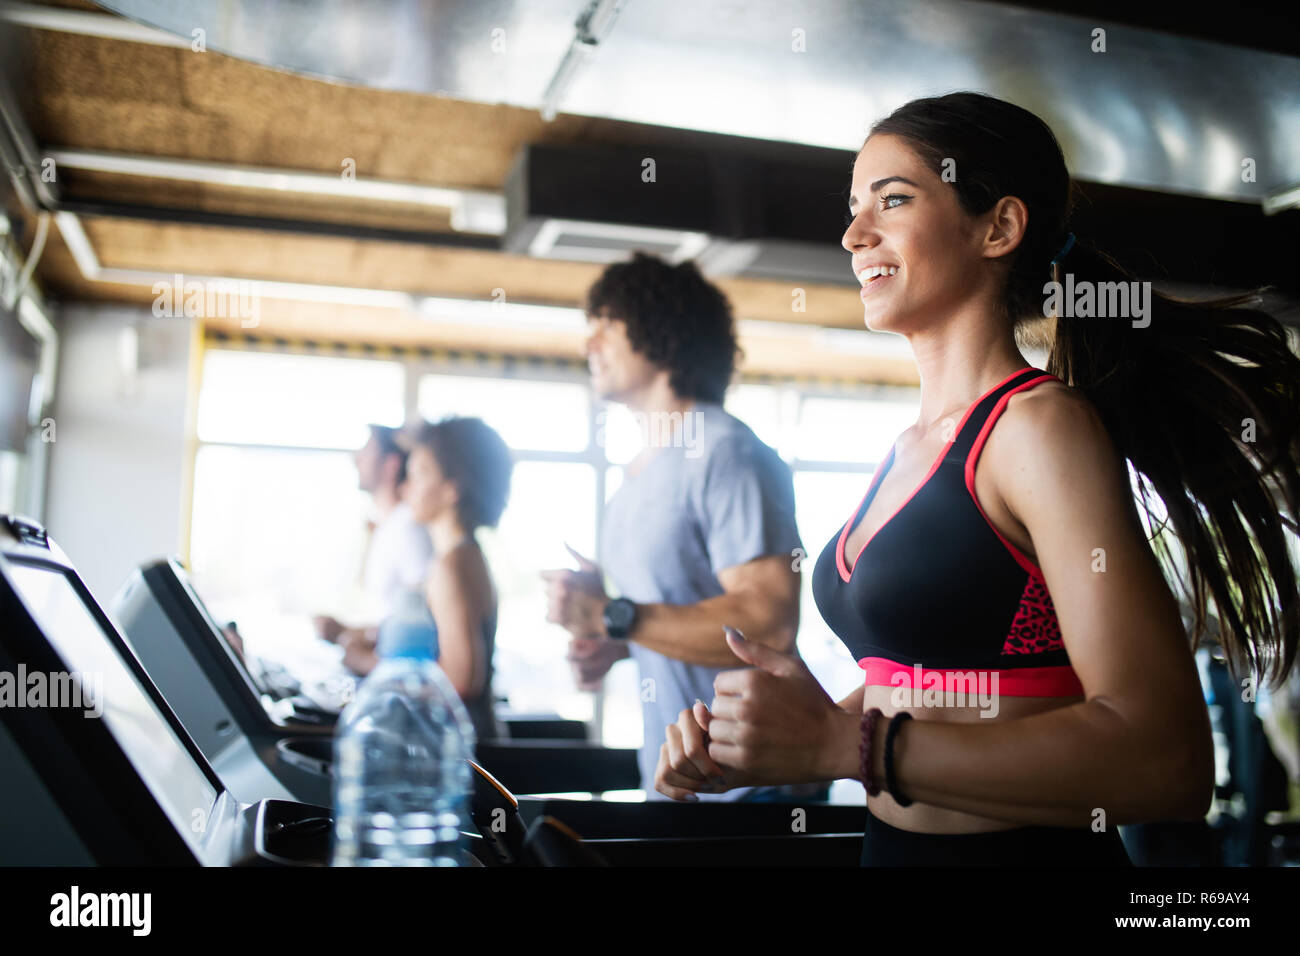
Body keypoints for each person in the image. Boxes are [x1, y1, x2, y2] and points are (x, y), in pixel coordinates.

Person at [655, 91, 1300, 865]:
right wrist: (774, 736)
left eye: (891, 200)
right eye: (855, 207)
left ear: (998, 227)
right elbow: (939, 682)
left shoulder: (1038, 427)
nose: (854, 234)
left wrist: (847, 744)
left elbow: (1165, 761)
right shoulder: (911, 445)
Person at [542, 251, 822, 801]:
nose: (587, 343)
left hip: (752, 790)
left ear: (659, 330)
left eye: (605, 324)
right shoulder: (634, 476)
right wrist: (616, 641)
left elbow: (767, 624)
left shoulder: (726, 451)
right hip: (678, 780)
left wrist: (610, 614)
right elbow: (681, 616)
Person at [349, 417, 513, 744]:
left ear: (452, 488)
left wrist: (367, 663)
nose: (406, 487)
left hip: (461, 752)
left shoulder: (449, 567)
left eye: (420, 474)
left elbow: (461, 679)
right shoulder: (466, 554)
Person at [314, 423, 434, 672]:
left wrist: (362, 658)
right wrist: (346, 631)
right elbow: (397, 619)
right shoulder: (387, 526)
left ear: (391, 464)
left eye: (366, 452)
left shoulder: (409, 528)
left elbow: (428, 624)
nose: (356, 459)